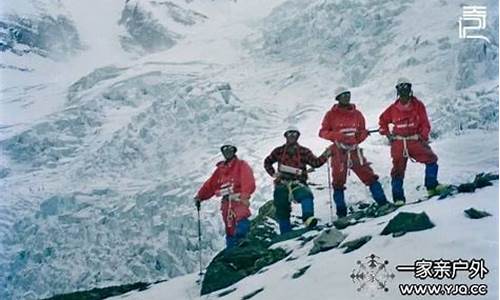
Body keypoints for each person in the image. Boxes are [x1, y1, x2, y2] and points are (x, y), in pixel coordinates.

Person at [319, 87, 389, 217]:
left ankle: (383, 203)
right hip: (339, 152)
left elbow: (361, 132)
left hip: (354, 151)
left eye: (348, 94)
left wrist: (361, 136)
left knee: (369, 176)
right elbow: (322, 132)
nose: (346, 97)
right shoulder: (330, 115)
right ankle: (341, 214)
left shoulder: (358, 114)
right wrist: (338, 136)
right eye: (343, 95)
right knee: (338, 182)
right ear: (338, 98)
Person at [379, 78, 447, 205]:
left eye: (406, 87)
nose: (404, 90)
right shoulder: (392, 109)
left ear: (410, 89)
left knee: (431, 159)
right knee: (398, 170)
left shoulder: (418, 105)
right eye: (401, 88)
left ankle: (431, 187)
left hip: (415, 140)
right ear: (398, 91)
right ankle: (398, 198)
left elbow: (425, 123)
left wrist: (422, 137)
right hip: (399, 143)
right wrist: (388, 135)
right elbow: (382, 121)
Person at [264, 126, 331, 234]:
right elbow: (267, 162)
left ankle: (308, 219)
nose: (292, 136)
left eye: (294, 134)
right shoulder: (278, 151)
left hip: (298, 183)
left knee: (306, 196)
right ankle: (285, 233)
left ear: (297, 136)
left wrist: (325, 155)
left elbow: (316, 163)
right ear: (286, 136)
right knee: (282, 208)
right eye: (290, 134)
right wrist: (273, 173)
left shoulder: (304, 151)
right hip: (282, 183)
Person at [194, 143, 256, 249]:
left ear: (234, 151)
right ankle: (231, 248)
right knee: (229, 225)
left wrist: (245, 195)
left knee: (241, 216)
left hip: (238, 198)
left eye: (229, 149)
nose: (227, 152)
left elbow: (248, 180)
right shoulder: (220, 170)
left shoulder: (241, 165)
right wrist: (200, 196)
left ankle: (241, 239)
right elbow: (211, 185)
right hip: (226, 201)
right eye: (225, 150)